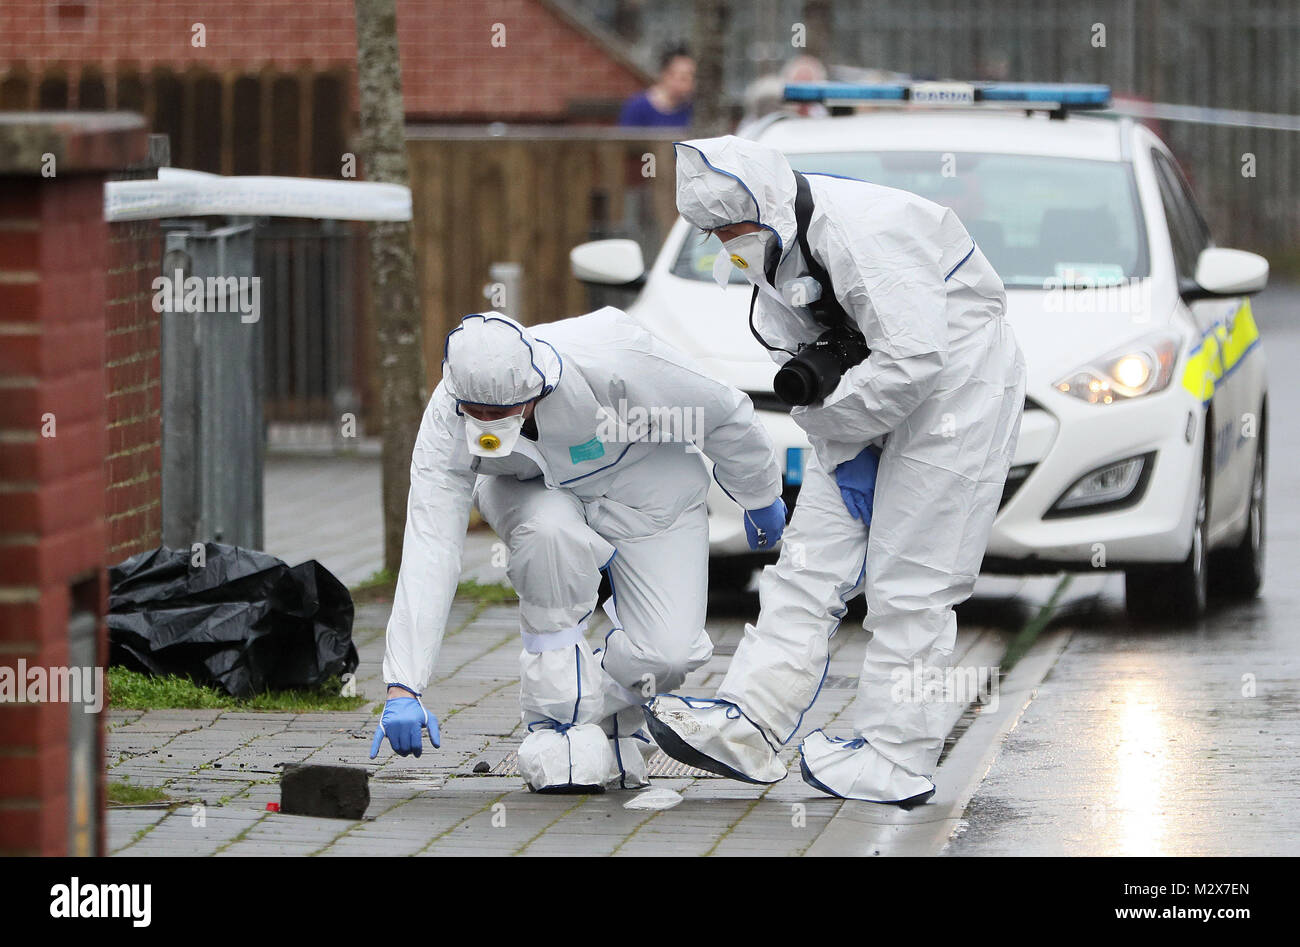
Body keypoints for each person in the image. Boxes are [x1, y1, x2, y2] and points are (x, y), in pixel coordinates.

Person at [645, 136, 1026, 806]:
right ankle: (751, 723)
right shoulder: (772, 248)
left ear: (767, 205)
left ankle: (896, 756)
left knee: (912, 581)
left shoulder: (862, 231)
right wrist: (844, 446)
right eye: (715, 233)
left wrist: (837, 432)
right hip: (864, 397)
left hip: (956, 390)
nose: (729, 243)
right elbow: (819, 370)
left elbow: (913, 360)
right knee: (807, 562)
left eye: (736, 229)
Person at [369, 309, 785, 793]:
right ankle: (558, 730)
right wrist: (404, 684)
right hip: (531, 492)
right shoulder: (445, 418)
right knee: (550, 535)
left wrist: (758, 492)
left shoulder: (617, 359)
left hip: (646, 483)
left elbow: (723, 412)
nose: (485, 423)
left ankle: (604, 720)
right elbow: (431, 543)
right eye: (474, 412)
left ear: (536, 389)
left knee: (668, 656)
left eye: (501, 412)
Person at [618, 46, 695, 128]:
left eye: (693, 78)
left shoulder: (693, 109)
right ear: (666, 75)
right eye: (684, 78)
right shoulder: (637, 108)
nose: (691, 84)